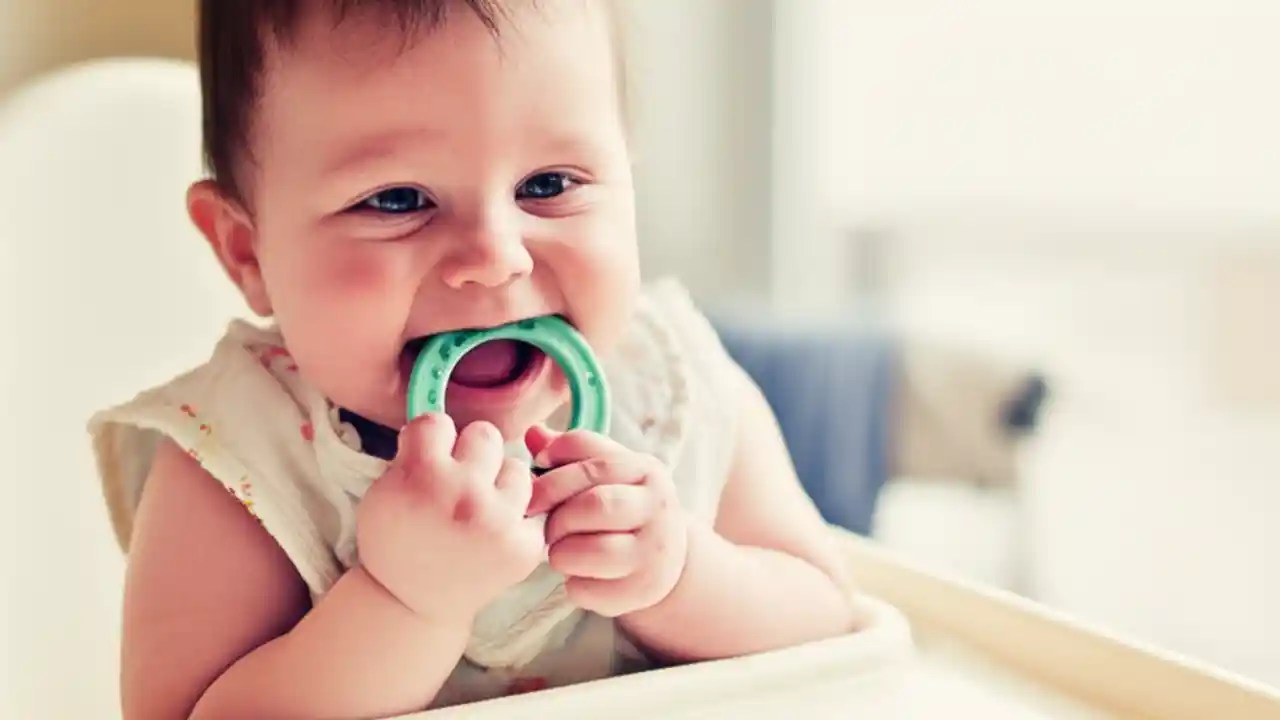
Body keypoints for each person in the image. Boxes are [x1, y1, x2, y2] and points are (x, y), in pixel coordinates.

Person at [89, 1, 859, 717]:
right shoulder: (242, 458)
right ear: (246, 249)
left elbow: (831, 620)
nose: (494, 258)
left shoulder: (671, 388)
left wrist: (683, 575)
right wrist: (407, 603)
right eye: (397, 199)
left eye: (549, 184)